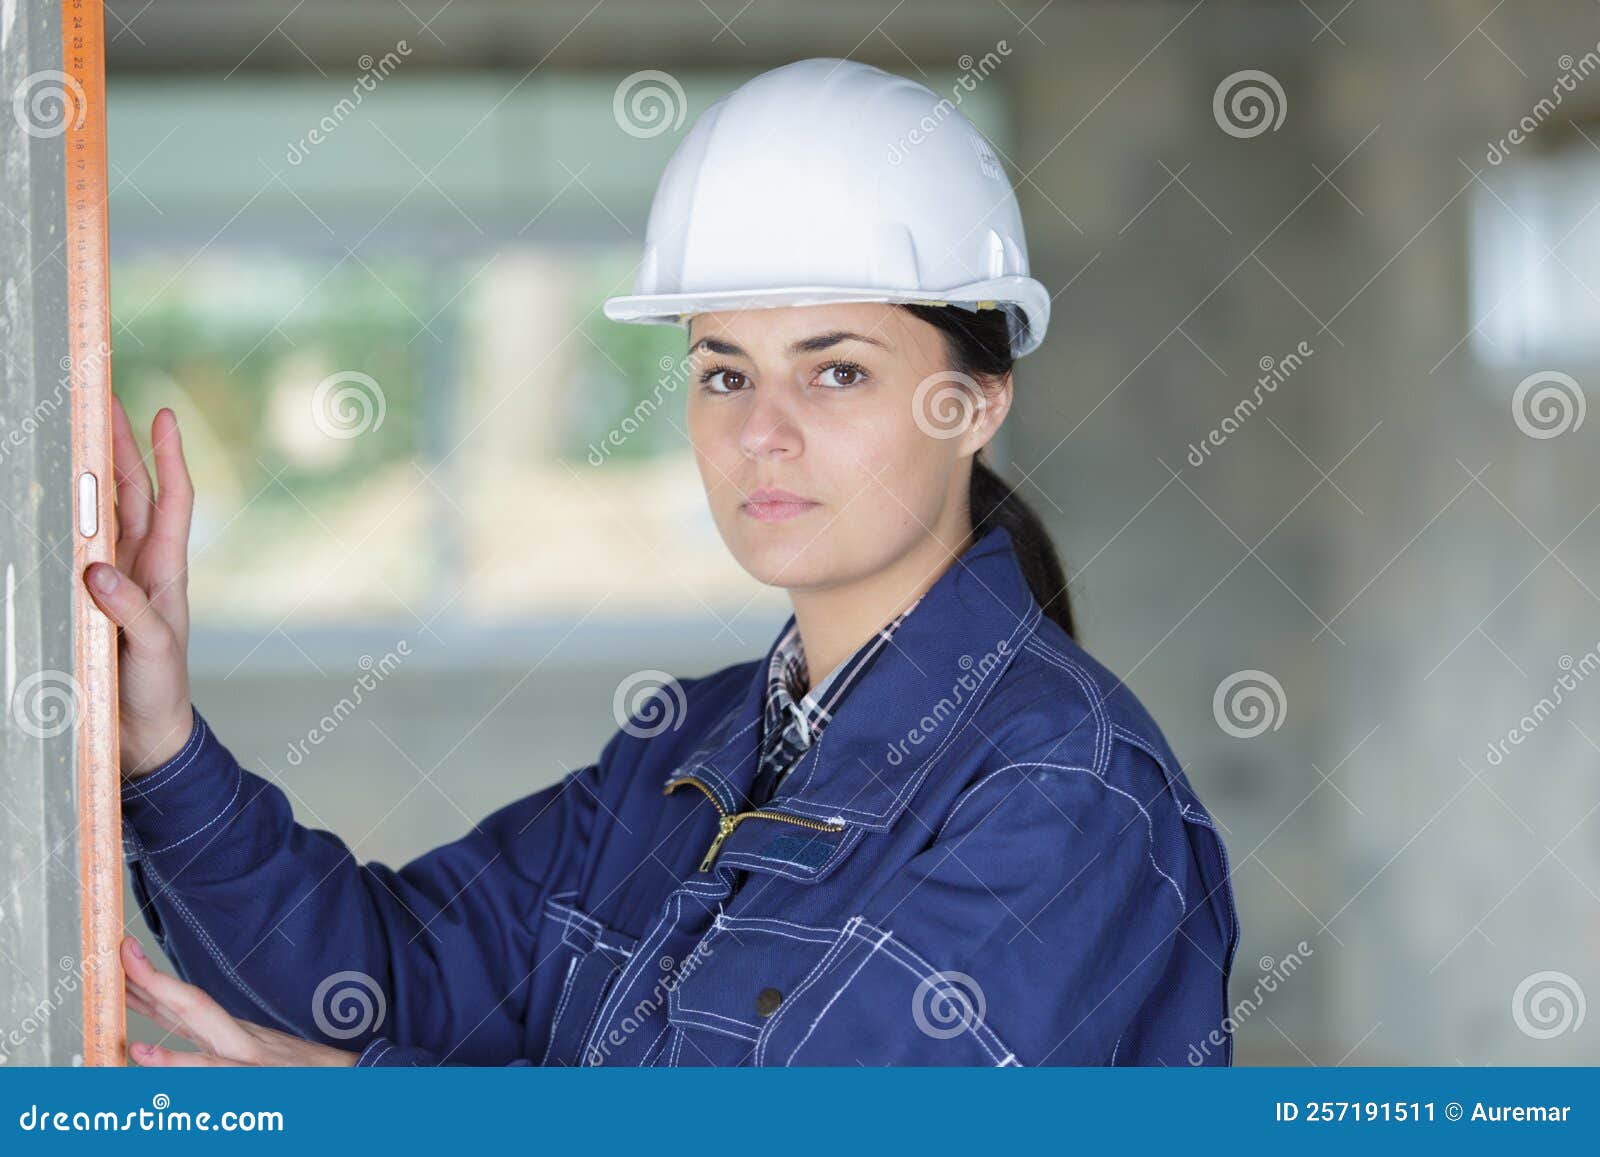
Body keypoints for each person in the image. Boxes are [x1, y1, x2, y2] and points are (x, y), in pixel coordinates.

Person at [93, 57, 1239, 1068]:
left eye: (836, 370)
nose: (761, 432)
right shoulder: (681, 755)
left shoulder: (1063, 791)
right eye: (723, 370)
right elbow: (384, 980)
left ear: (976, 400)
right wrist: (162, 748)